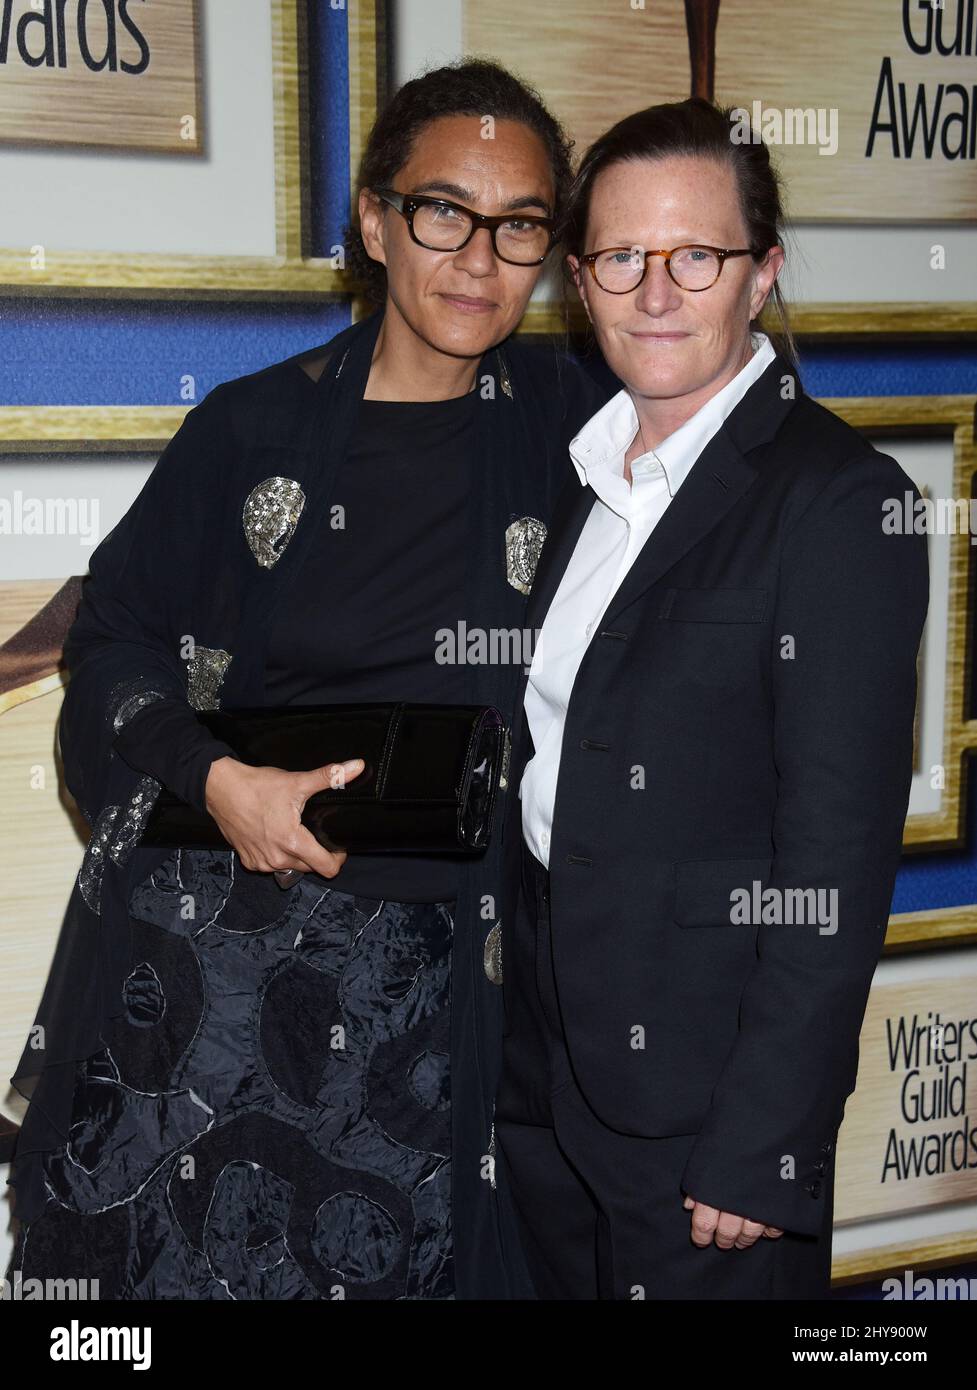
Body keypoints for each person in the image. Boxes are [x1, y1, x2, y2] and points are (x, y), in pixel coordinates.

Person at [5, 59, 609, 1301]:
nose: (477, 259)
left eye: (519, 227)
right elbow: (113, 638)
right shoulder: (248, 429)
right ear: (374, 220)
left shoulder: (582, 426)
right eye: (443, 212)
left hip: (438, 994)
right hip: (216, 963)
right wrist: (218, 781)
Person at [492, 97, 929, 1300]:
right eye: (620, 257)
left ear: (760, 273)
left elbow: (832, 864)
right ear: (580, 281)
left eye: (697, 255)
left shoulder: (839, 504)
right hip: (542, 1079)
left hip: (705, 1126)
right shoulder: (581, 478)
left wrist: (763, 1141)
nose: (655, 291)